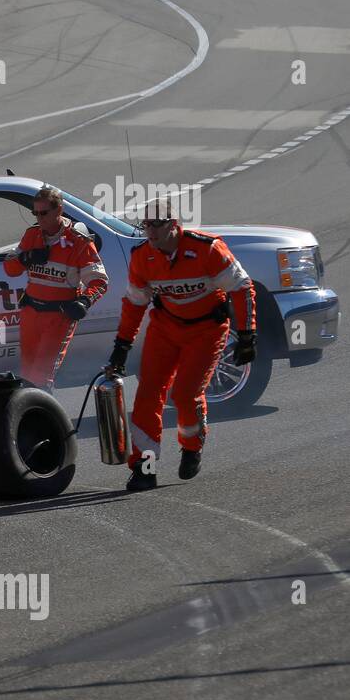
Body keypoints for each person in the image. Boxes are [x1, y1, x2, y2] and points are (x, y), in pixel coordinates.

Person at [105, 200, 256, 491]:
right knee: (148, 396)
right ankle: (144, 468)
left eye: (156, 224)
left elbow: (242, 287)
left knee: (186, 395)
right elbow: (135, 304)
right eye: (145, 225)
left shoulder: (207, 249)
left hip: (206, 330)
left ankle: (191, 446)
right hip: (165, 329)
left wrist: (248, 335)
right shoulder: (142, 256)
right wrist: (121, 346)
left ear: (174, 225)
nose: (150, 231)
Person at [3, 185, 108, 389]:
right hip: (31, 312)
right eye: (35, 213)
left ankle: (46, 417)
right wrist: (27, 258)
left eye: (44, 213)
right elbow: (10, 268)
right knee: (27, 374)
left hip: (58, 316)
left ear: (59, 210)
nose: (39, 218)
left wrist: (85, 301)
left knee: (41, 376)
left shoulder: (78, 241)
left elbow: (100, 281)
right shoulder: (32, 235)